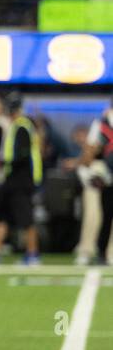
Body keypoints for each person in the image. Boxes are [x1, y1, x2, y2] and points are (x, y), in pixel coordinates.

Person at [0, 93, 42, 266]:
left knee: (25, 217)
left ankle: (33, 253)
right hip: (12, 178)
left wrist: (2, 162)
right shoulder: (17, 125)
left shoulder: (22, 126)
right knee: (2, 214)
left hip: (20, 179)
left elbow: (21, 154)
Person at [77, 97, 113, 266]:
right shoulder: (102, 123)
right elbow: (90, 152)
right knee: (94, 214)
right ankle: (87, 250)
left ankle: (109, 253)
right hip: (100, 172)